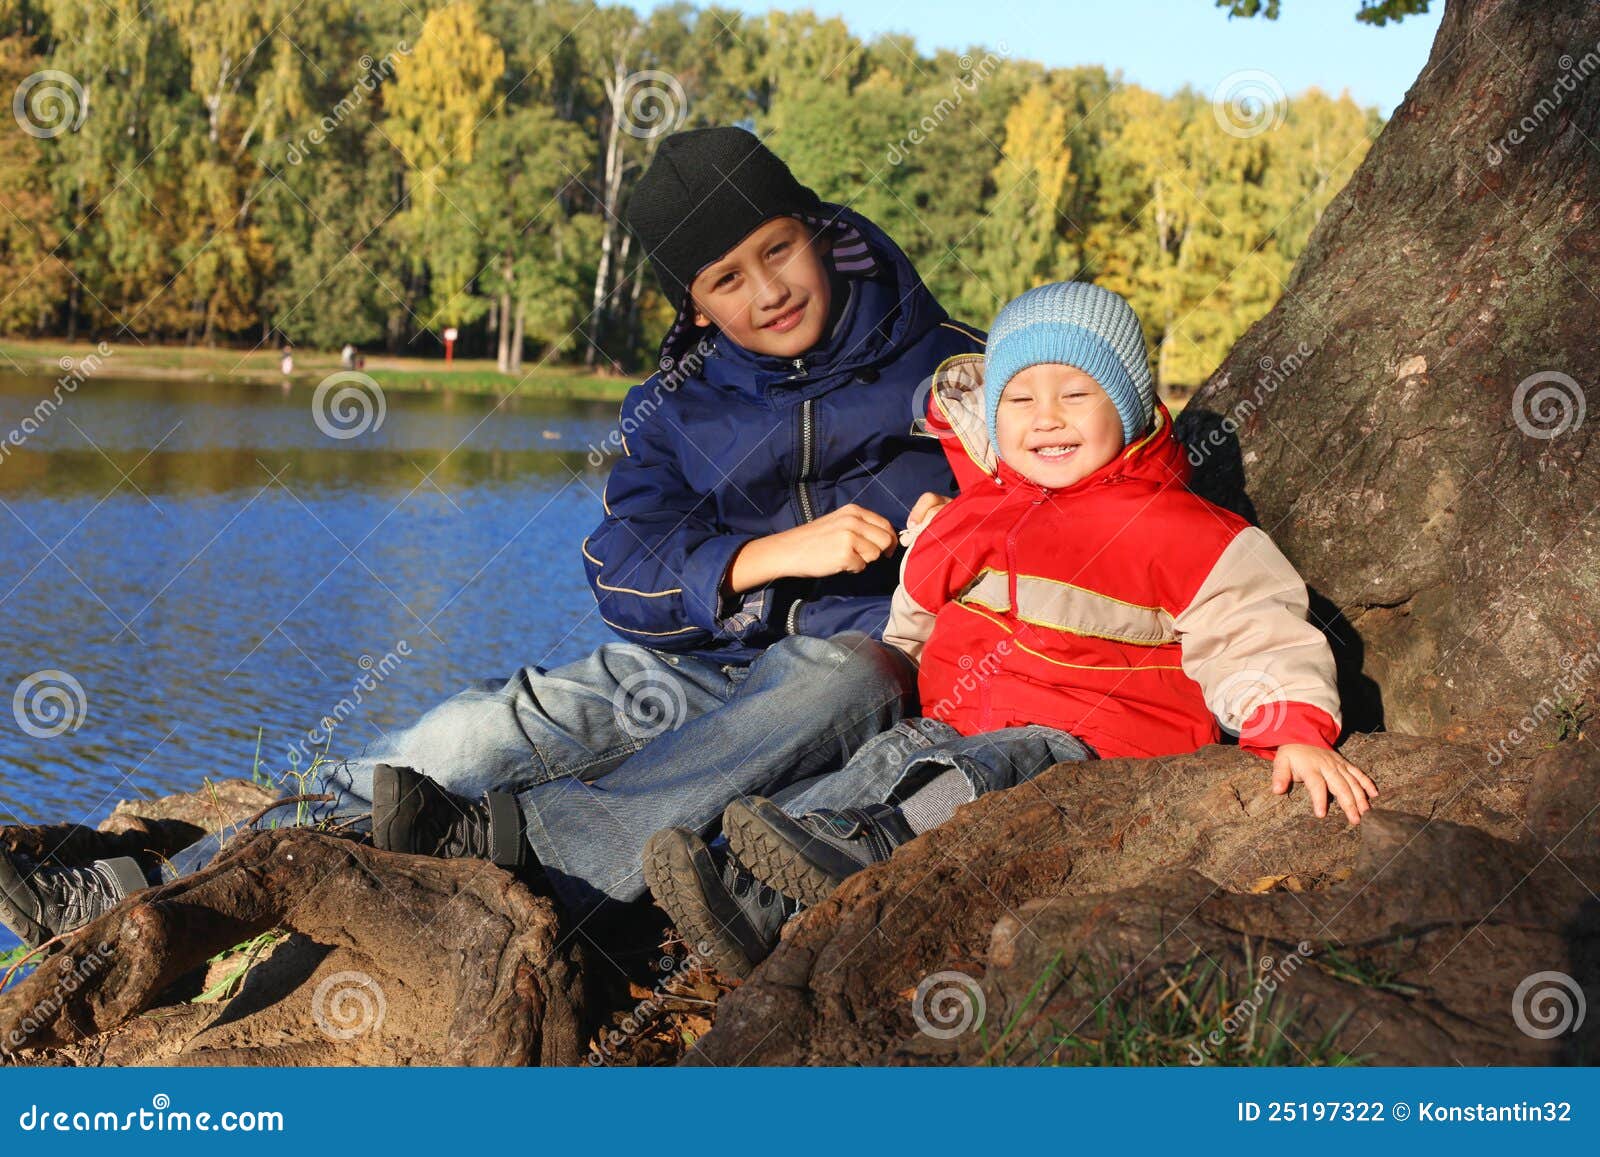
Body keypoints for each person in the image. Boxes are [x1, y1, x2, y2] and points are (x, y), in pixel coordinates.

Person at [0, 128, 985, 978]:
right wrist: (761, 557)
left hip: (857, 681)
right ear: (691, 305)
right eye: (727, 278)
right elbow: (621, 567)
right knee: (471, 732)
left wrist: (967, 527)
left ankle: (545, 846)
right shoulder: (676, 403)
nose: (768, 290)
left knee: (842, 674)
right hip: (700, 666)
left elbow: (1059, 498)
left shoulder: (954, 365)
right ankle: (139, 889)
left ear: (814, 229)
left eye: (779, 249)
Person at [702, 281, 1379, 939]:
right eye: (1020, 398)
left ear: (1128, 405)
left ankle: (884, 837)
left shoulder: (1183, 530)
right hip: (952, 722)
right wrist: (894, 680)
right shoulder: (971, 516)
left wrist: (1291, 726)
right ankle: (748, 889)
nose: (1046, 417)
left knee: (995, 766)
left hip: (1090, 747)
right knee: (889, 754)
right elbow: (914, 617)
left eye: (1075, 395)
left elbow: (1253, 634)